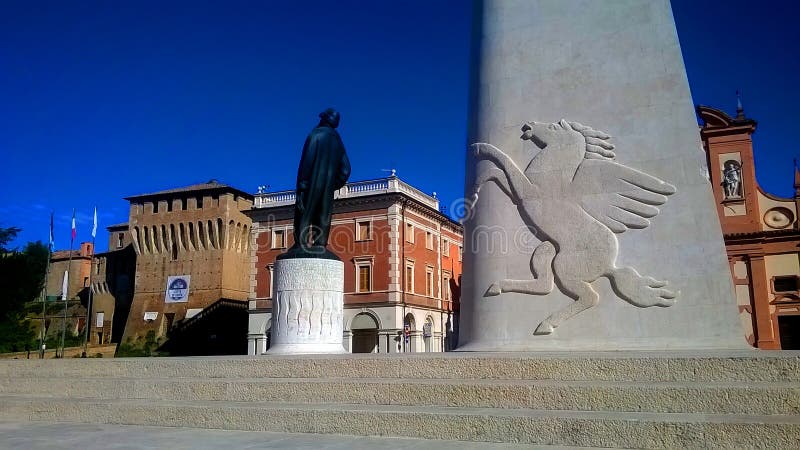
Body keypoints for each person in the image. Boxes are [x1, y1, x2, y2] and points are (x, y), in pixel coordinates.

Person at [284, 108, 351, 258]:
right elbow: (346, 169)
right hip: (328, 186)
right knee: (323, 213)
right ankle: (320, 243)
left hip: (311, 183)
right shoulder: (337, 141)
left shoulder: (316, 135)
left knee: (305, 212)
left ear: (323, 119)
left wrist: (302, 185)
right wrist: (334, 185)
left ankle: (301, 244)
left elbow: (307, 161)